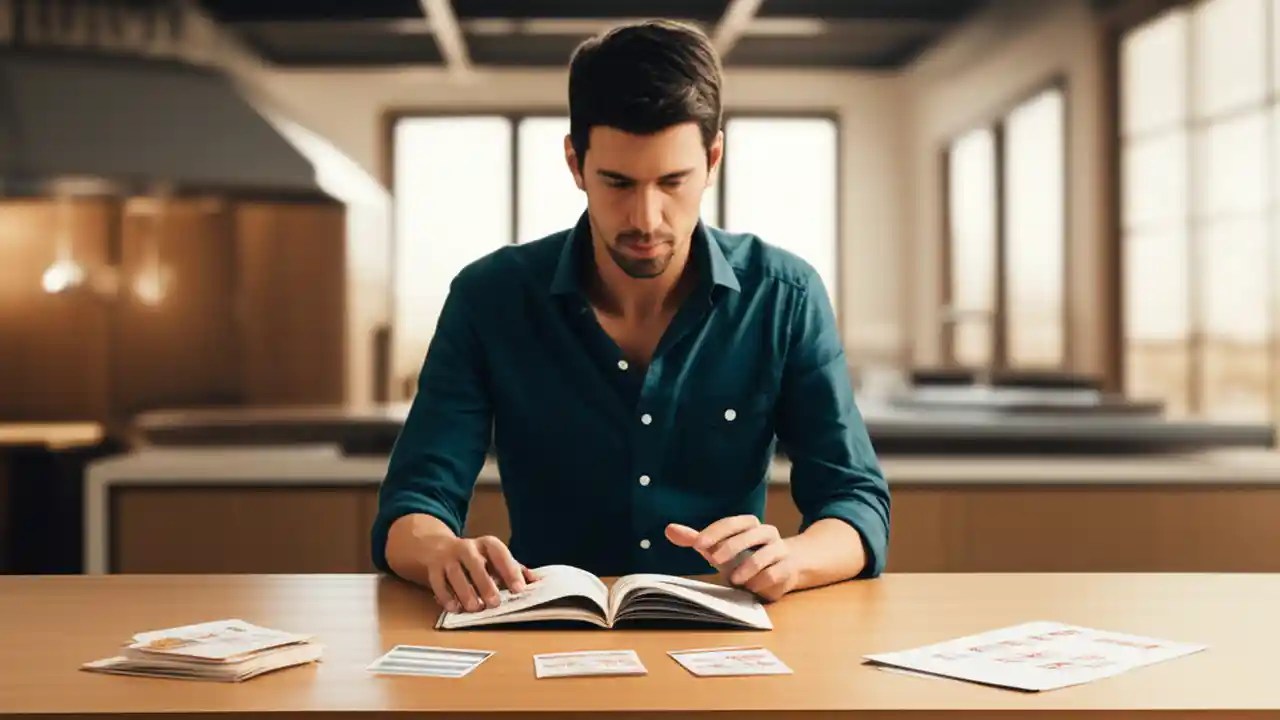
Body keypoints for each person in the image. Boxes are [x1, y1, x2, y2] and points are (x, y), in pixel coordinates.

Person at [371, 19, 889, 614]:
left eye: (673, 181)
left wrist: (792, 560)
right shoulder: (489, 296)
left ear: (713, 158)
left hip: (726, 646)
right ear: (575, 163)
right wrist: (439, 549)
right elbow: (411, 505)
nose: (646, 217)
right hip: (545, 637)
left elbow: (856, 503)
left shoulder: (784, 295)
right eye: (617, 182)